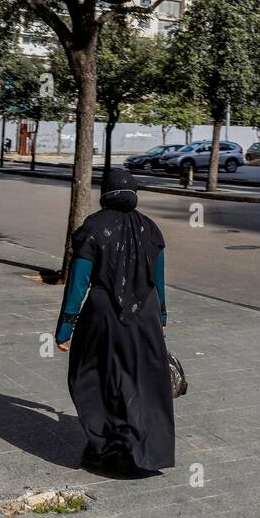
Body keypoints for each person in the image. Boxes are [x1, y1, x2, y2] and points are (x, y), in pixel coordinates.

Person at [55, 168, 173, 475]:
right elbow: (157, 281)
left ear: (105, 194)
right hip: (144, 315)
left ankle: (104, 446)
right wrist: (161, 316)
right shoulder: (151, 229)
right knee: (139, 379)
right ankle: (141, 449)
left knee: (91, 376)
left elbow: (79, 282)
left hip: (103, 314)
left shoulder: (93, 227)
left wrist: (65, 328)